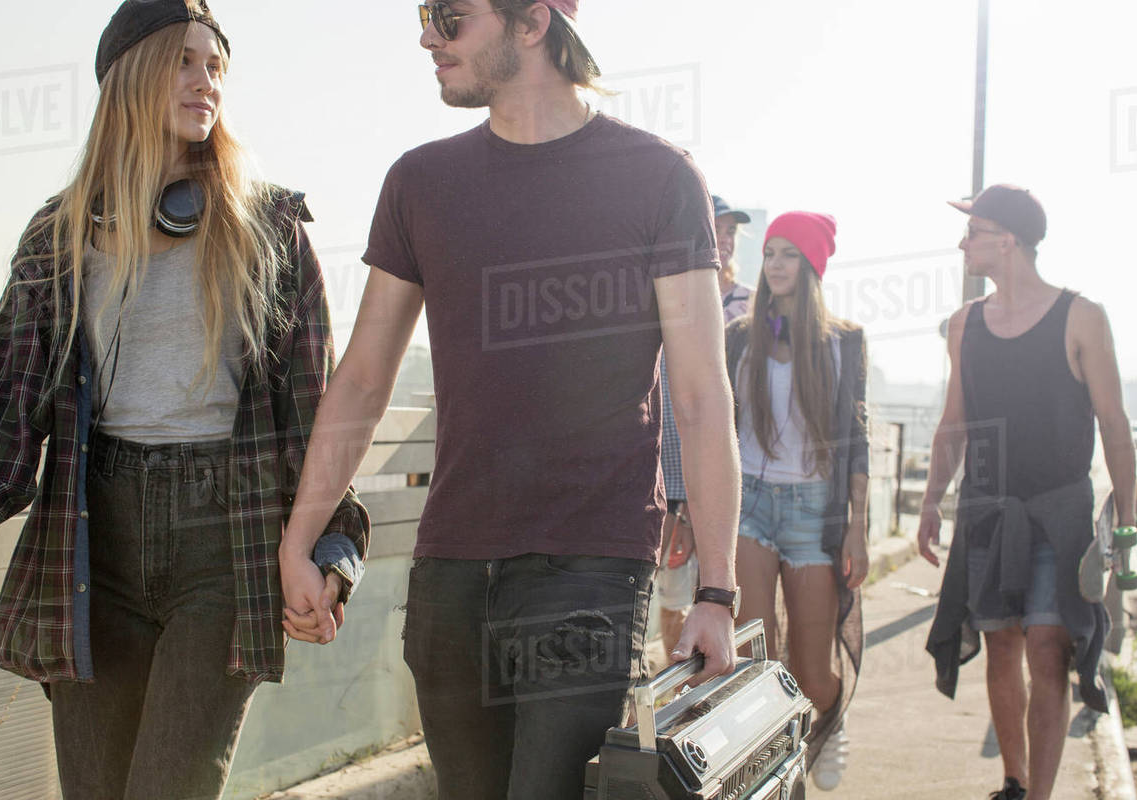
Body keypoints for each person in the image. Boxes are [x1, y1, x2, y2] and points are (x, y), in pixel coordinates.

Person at [277, 2, 741, 797]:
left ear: (532, 24)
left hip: (589, 573)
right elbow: (362, 378)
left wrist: (717, 593)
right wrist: (300, 540)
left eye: (449, 17)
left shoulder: (660, 177)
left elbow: (701, 395)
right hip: (451, 571)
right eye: (424, 16)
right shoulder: (419, 181)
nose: (427, 36)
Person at [0, 3, 368, 797]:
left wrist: (331, 553)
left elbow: (315, 414)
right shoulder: (58, 236)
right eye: (184, 62)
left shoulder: (269, 229)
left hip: (223, 543)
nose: (206, 82)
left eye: (216, 65)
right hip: (93, 547)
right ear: (130, 74)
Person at [920, 185, 1135, 800]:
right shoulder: (964, 325)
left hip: (1059, 512)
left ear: (1007, 240)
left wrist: (1125, 519)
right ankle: (1013, 782)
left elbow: (1114, 425)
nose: (963, 243)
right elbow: (954, 421)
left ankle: (1037, 794)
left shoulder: (1082, 316)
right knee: (1001, 644)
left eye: (974, 230)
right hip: (988, 511)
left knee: (1047, 648)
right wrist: (933, 501)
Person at [725, 211, 869, 792]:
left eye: (789, 254)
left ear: (811, 265)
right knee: (756, 658)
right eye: (770, 253)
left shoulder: (844, 342)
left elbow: (855, 440)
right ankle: (771, 771)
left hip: (814, 513)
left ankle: (827, 727)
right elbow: (717, 429)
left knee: (813, 670)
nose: (776, 264)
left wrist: (857, 527)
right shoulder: (739, 335)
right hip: (750, 507)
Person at [656, 195, 753, 655]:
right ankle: (676, 695)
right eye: (719, 228)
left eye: (733, 230)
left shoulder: (752, 306)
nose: (727, 238)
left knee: (720, 595)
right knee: (671, 594)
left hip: (729, 473)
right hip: (672, 471)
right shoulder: (670, 296)